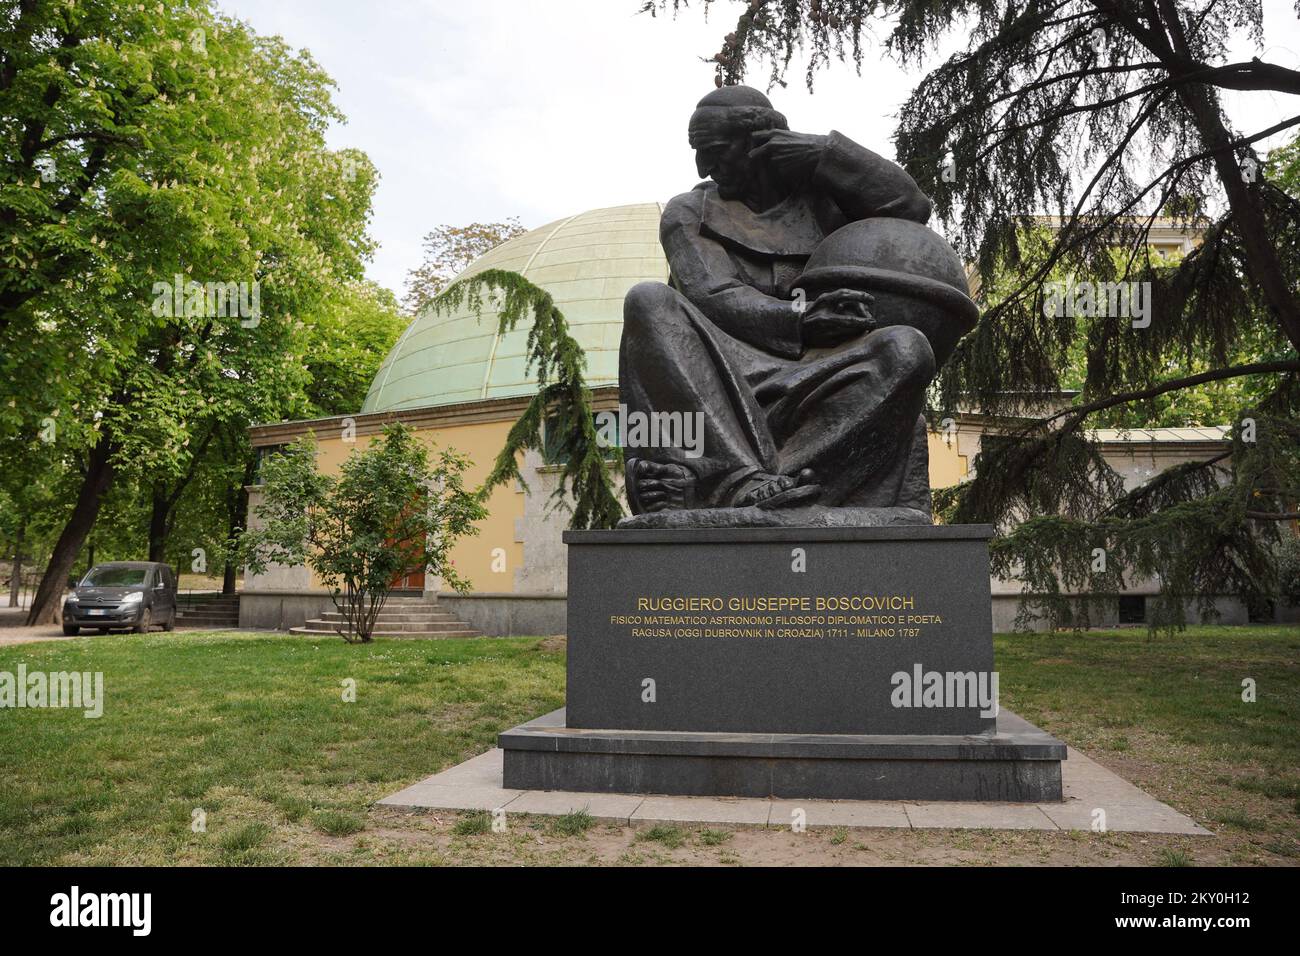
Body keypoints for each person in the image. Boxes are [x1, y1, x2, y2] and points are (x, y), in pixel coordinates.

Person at [620, 85, 942, 521]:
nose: (702, 165)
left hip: (817, 369)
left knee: (907, 349)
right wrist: (801, 319)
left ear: (758, 144)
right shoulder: (689, 212)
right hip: (722, 370)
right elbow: (714, 295)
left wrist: (829, 153)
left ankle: (793, 482)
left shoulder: (827, 202)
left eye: (713, 149)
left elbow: (910, 207)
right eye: (697, 151)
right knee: (649, 300)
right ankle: (740, 482)